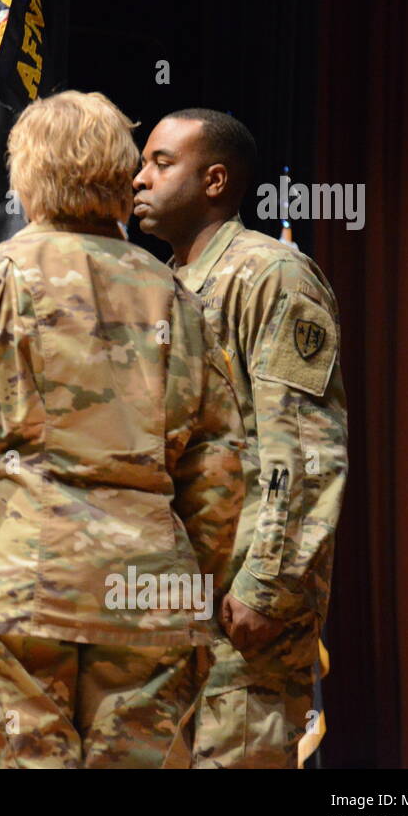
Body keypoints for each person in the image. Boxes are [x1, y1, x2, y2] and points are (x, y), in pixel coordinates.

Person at [0, 90, 246, 768]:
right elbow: (222, 463)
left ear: (22, 177)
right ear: (120, 174)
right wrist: (197, 586)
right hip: (149, 597)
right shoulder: (179, 299)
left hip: (10, 587)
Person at [133, 108, 349, 768]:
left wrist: (266, 580)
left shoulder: (273, 274)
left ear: (215, 179)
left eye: (160, 162)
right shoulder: (161, 286)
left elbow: (304, 446)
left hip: (239, 606)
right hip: (168, 602)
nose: (139, 178)